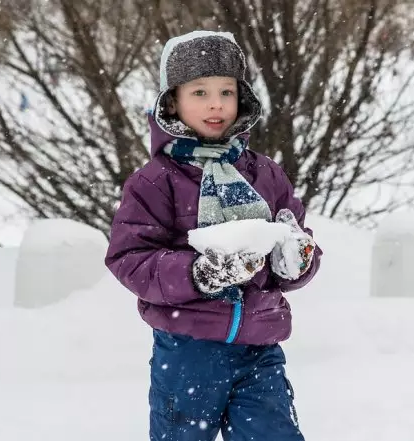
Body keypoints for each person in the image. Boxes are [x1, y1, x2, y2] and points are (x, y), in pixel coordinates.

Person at [105, 30, 322, 441]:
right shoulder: (156, 181)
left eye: (226, 91)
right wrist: (197, 274)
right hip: (187, 347)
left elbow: (295, 237)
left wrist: (297, 260)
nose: (216, 103)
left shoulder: (265, 173)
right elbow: (129, 258)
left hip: (260, 344)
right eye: (200, 92)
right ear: (172, 102)